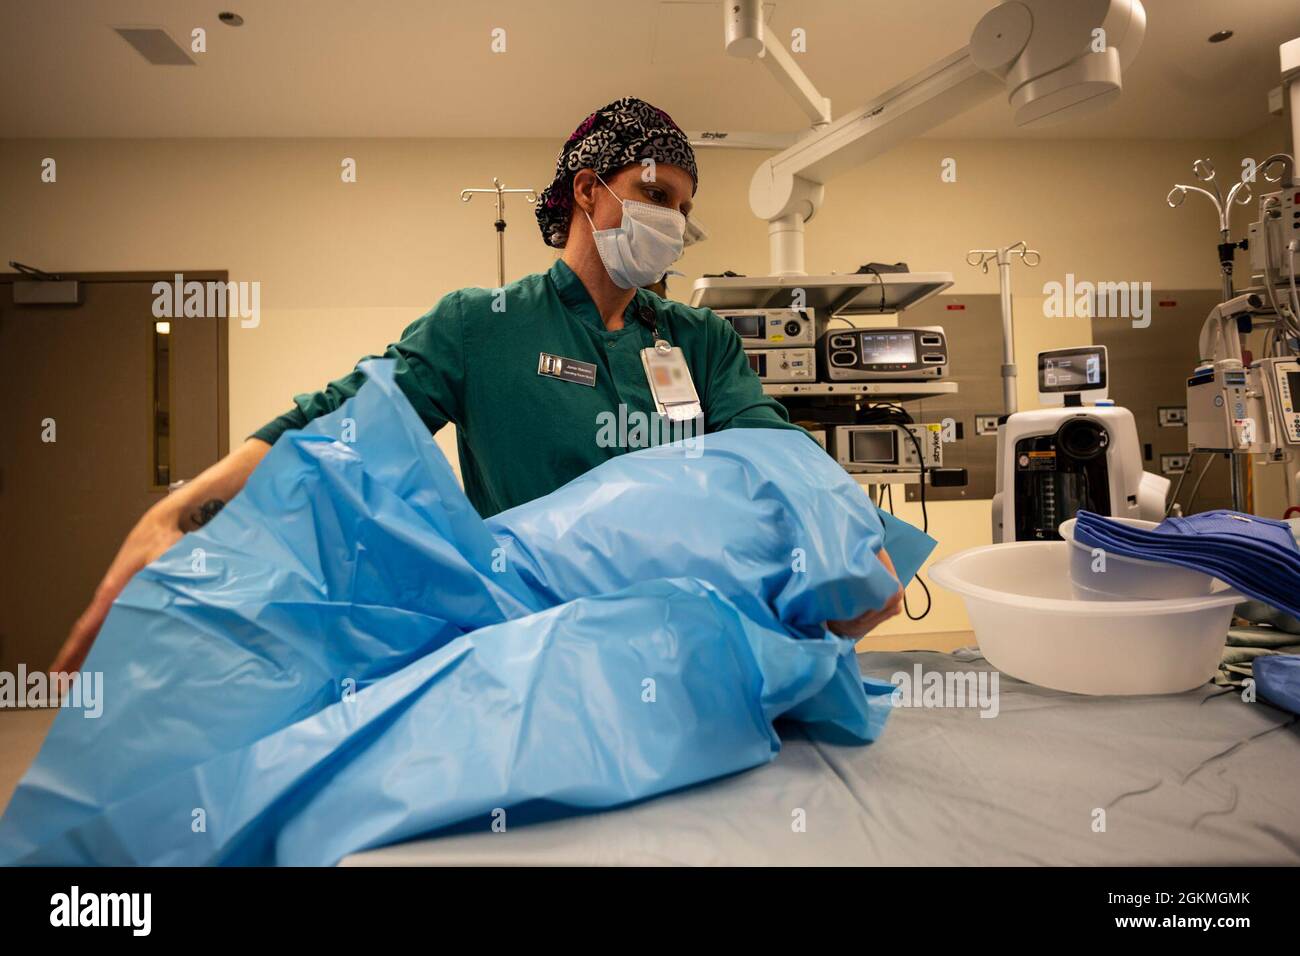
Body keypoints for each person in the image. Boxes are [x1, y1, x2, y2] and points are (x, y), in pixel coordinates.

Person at [53, 97, 902, 675]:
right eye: (654, 194)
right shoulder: (484, 325)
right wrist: (174, 513)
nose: (672, 224)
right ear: (587, 189)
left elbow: (774, 448)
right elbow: (340, 423)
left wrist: (854, 540)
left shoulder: (699, 340)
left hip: (682, 648)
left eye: (683, 207)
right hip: (532, 651)